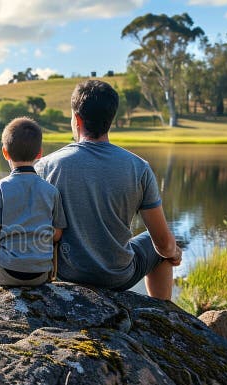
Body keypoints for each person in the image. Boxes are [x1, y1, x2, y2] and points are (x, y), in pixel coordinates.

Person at [35, 80, 181, 300]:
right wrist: (174, 252)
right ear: (110, 120)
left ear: (77, 119)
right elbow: (162, 244)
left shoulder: (45, 166)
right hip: (118, 277)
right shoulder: (139, 168)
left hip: (67, 274)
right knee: (161, 245)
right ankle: (162, 313)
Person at [0, 117, 67, 286]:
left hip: (7, 273)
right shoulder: (51, 191)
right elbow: (57, 234)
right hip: (41, 275)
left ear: (5, 152)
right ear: (39, 153)